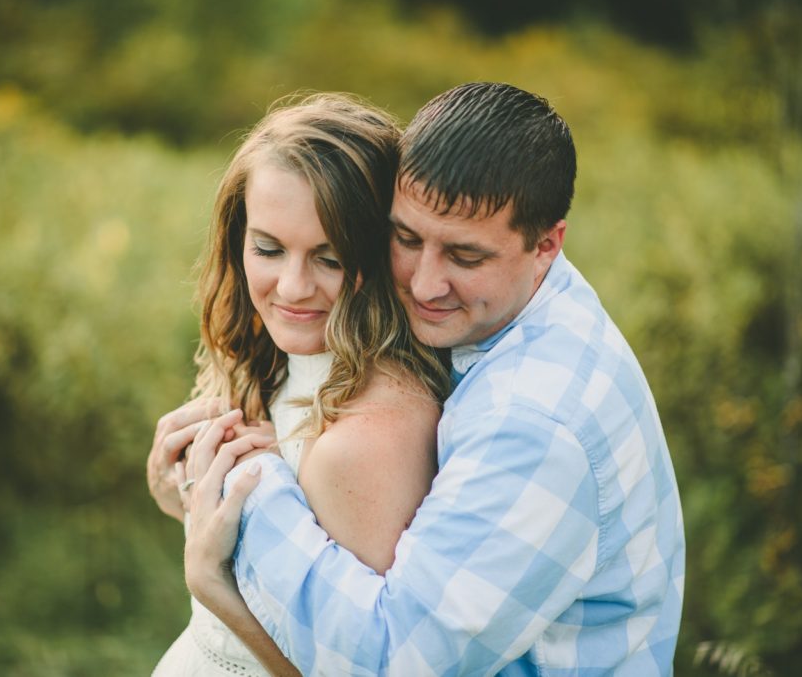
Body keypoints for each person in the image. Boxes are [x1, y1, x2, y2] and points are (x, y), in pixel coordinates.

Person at [181, 82, 686, 674]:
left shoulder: (533, 425)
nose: (422, 285)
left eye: (464, 257)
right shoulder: (510, 309)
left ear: (547, 243)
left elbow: (397, 661)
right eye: (407, 239)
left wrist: (246, 493)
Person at [146, 93, 449, 675]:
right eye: (267, 248)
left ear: (380, 256)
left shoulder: (363, 439)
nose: (290, 287)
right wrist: (181, 490)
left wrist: (211, 581)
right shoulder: (278, 356)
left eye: (329, 257)